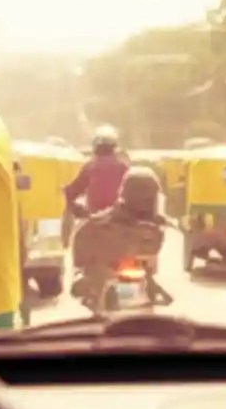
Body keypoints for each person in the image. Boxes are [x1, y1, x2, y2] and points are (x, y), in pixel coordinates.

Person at [70, 167, 173, 311]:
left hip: (120, 285)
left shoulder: (93, 225)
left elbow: (81, 259)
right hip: (113, 285)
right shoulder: (155, 227)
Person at [63, 125, 130, 217]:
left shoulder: (90, 167)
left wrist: (77, 209)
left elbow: (72, 192)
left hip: (95, 220)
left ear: (96, 147)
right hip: (119, 220)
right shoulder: (123, 168)